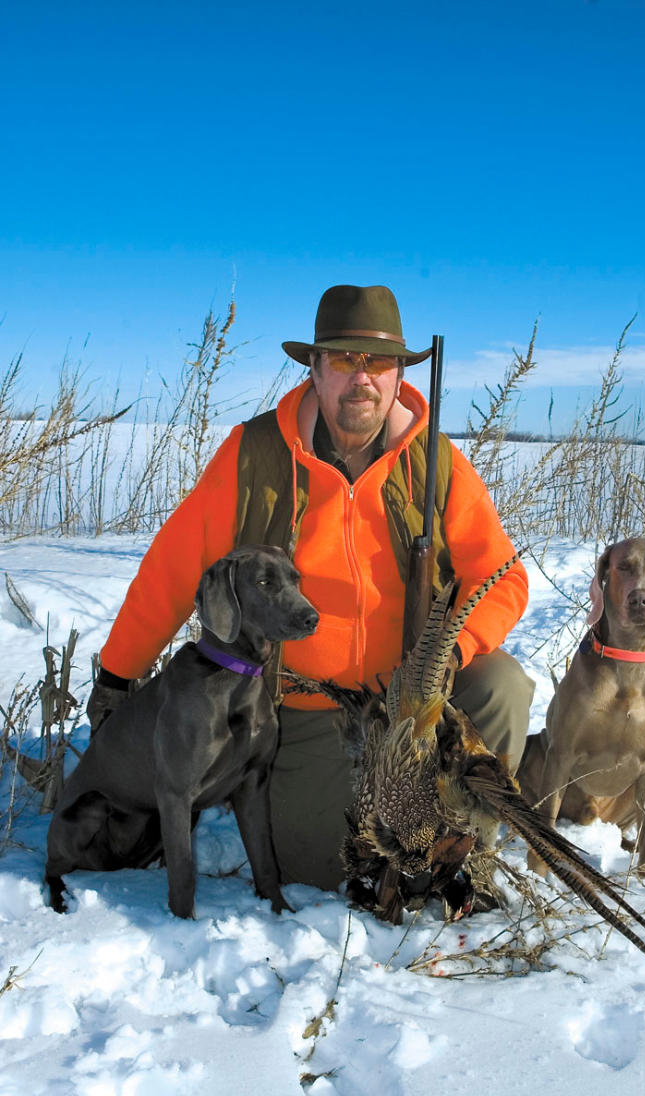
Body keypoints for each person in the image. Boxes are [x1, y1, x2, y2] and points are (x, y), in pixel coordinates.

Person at [89, 285, 534, 890]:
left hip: (413, 697)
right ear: (315, 369)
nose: (362, 379)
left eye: (378, 362)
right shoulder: (253, 456)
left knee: (504, 686)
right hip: (304, 707)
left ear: (400, 374)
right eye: (345, 360)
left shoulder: (434, 463)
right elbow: (172, 569)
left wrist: (451, 653)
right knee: (327, 870)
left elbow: (503, 578)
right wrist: (117, 676)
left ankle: (460, 858)